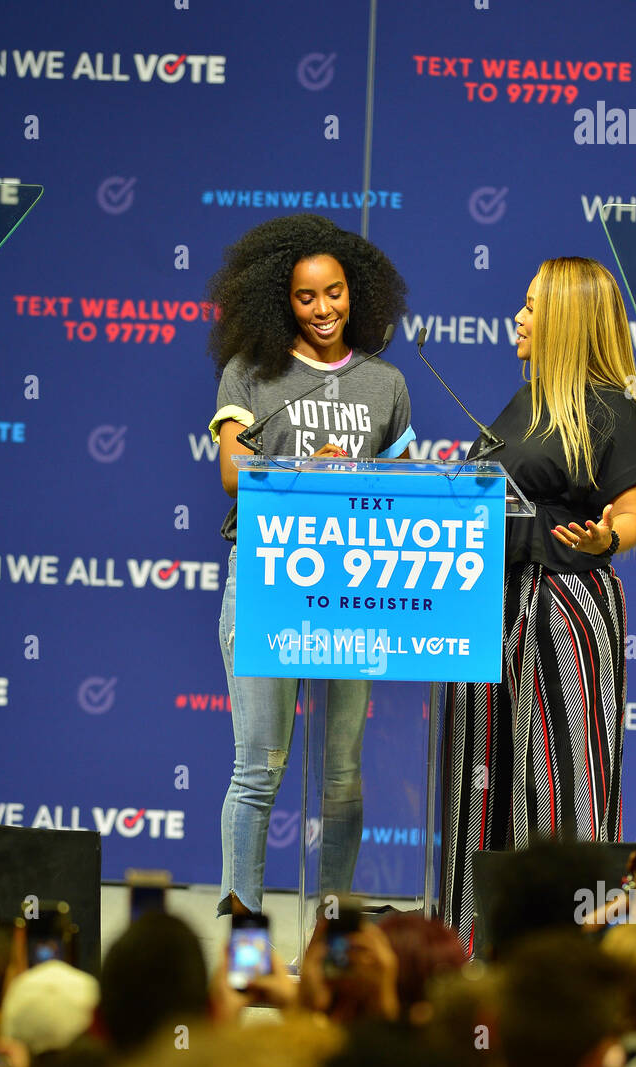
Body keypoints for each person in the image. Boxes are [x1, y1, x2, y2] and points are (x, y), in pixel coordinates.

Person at [441, 258, 636, 945]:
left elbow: (630, 514)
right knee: (478, 785)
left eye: (532, 306)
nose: (518, 317)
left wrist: (604, 539)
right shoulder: (523, 400)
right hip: (487, 605)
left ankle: (565, 954)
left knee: (560, 786)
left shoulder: (615, 409)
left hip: (561, 603)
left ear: (566, 319)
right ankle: (475, 948)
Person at [207, 214, 414, 919]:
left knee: (344, 775)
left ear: (357, 295)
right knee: (258, 770)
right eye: (305, 298)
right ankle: (244, 942)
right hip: (267, 584)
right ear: (279, 302)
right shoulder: (253, 374)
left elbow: (407, 489)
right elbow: (234, 471)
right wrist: (303, 466)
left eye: (334, 294)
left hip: (356, 591)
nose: (323, 310)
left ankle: (331, 938)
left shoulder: (385, 384)